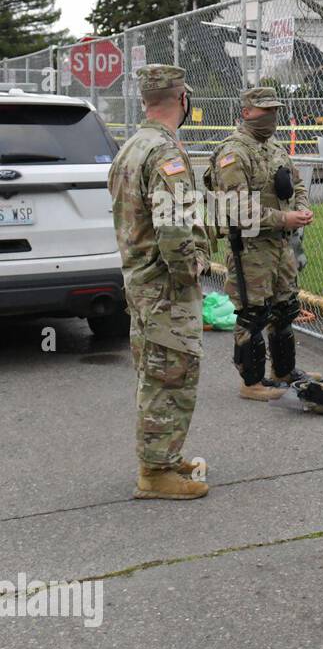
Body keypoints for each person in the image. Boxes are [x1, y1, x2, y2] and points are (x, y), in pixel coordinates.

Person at [108, 64, 211, 501]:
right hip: (167, 287)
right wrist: (194, 271)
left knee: (155, 372)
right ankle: (155, 473)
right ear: (183, 100)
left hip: (141, 281)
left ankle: (164, 457)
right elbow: (175, 231)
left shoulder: (131, 146)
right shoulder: (166, 154)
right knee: (170, 375)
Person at [206, 86, 313, 401]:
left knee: (285, 308)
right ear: (246, 112)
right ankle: (251, 382)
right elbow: (237, 209)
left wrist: (301, 208)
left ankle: (283, 372)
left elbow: (297, 183)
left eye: (274, 110)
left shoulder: (276, 148)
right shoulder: (233, 153)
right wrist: (285, 220)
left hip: (280, 247)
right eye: (263, 110)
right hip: (250, 249)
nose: (270, 117)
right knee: (254, 314)